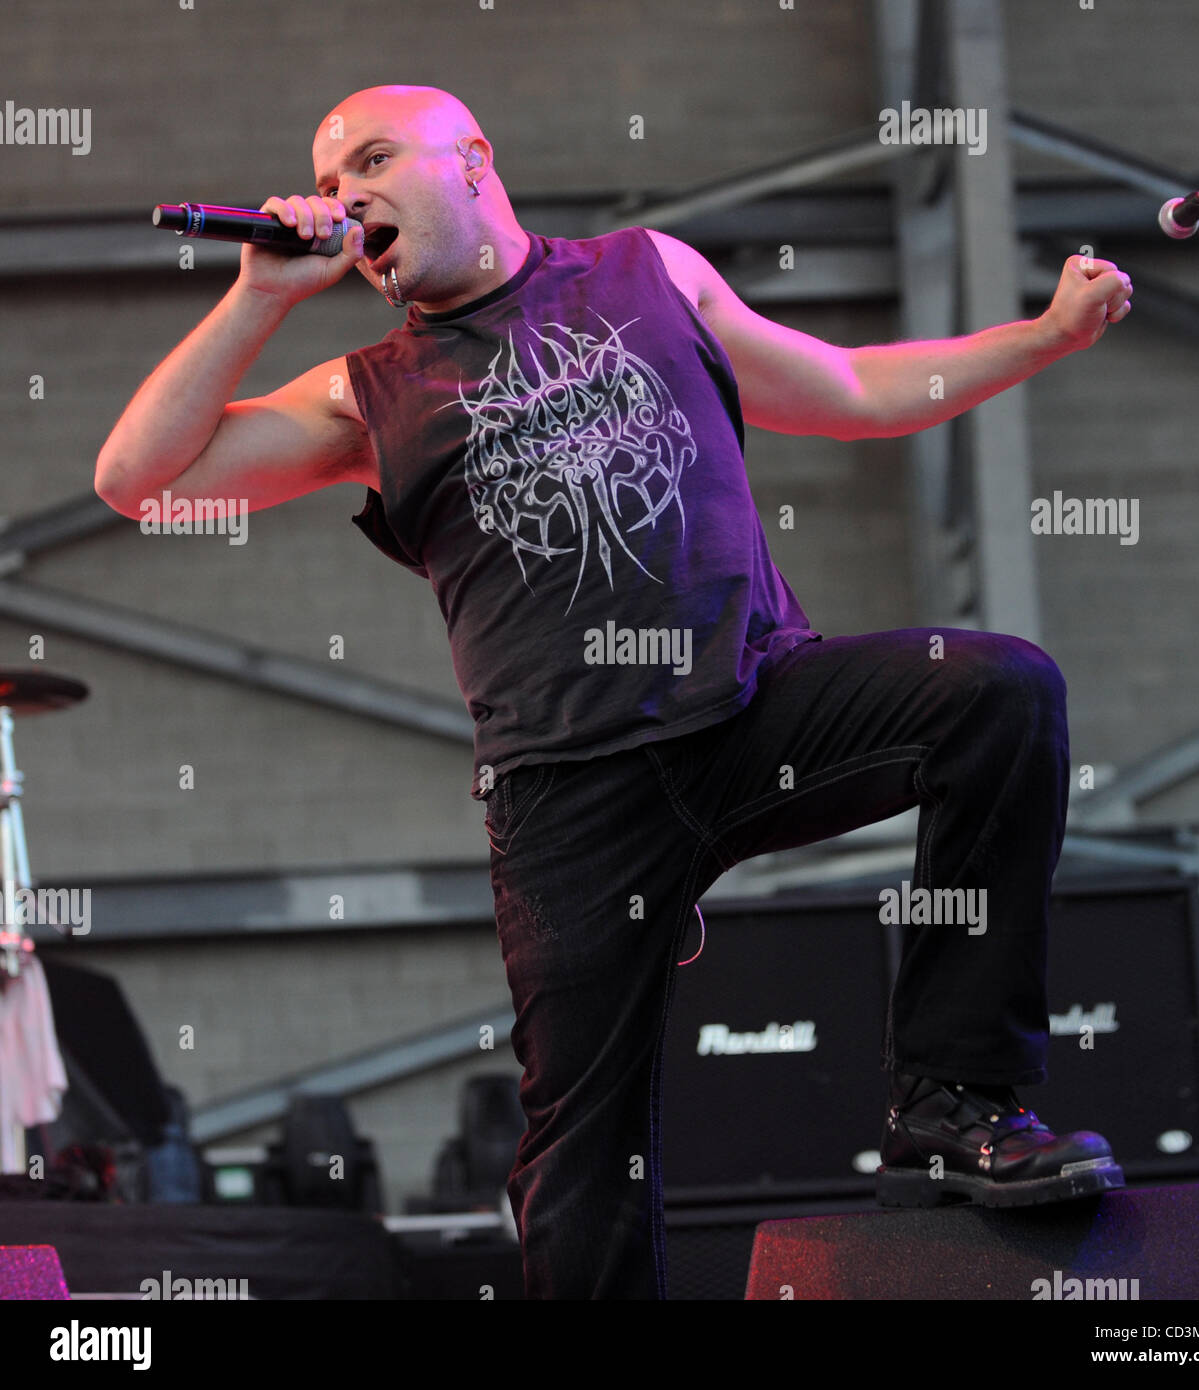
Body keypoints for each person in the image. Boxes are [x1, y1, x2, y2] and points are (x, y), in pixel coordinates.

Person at [96, 84, 1135, 1300]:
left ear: (473, 159)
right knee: (582, 1163)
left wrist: (1046, 338)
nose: (346, 197)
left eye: (373, 160)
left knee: (996, 692)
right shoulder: (362, 394)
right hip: (569, 796)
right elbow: (134, 477)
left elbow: (853, 390)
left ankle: (954, 1104)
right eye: (329, 184)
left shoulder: (653, 271)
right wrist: (260, 294)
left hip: (757, 709)